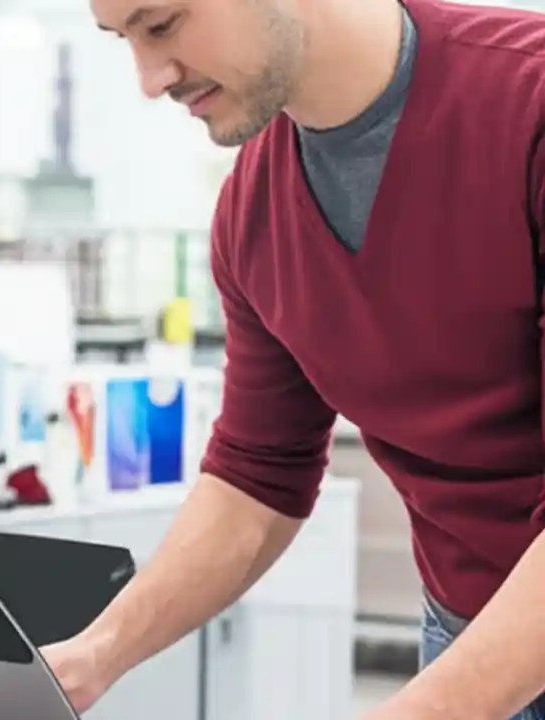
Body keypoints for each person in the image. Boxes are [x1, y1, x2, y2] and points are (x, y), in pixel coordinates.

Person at [42, 0, 545, 717]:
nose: (149, 79)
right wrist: (92, 657)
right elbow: (256, 479)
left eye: (161, 25)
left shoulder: (527, 101)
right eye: (123, 39)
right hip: (465, 641)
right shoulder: (253, 211)